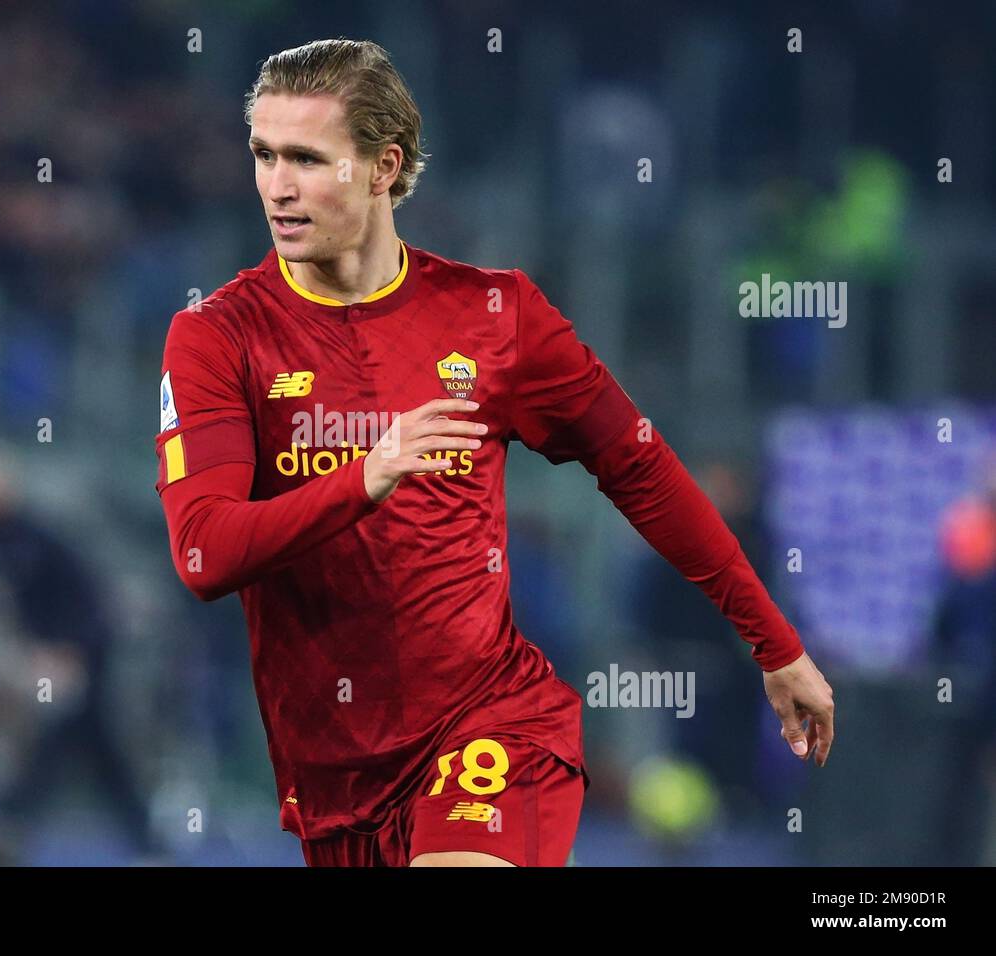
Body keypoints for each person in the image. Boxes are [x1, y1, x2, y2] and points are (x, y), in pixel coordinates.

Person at [154, 38, 834, 867]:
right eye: (264, 155)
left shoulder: (496, 315)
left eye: (306, 157)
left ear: (381, 168)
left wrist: (775, 643)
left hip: (491, 726)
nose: (277, 186)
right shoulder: (216, 337)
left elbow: (641, 468)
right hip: (334, 774)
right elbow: (202, 552)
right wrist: (363, 477)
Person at [0, 446, 155, 856]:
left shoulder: (22, 540)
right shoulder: (6, 538)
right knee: (89, 745)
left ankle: (9, 821)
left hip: (79, 651)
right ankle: (141, 840)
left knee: (70, 743)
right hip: (67, 652)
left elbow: (70, 602)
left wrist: (63, 653)